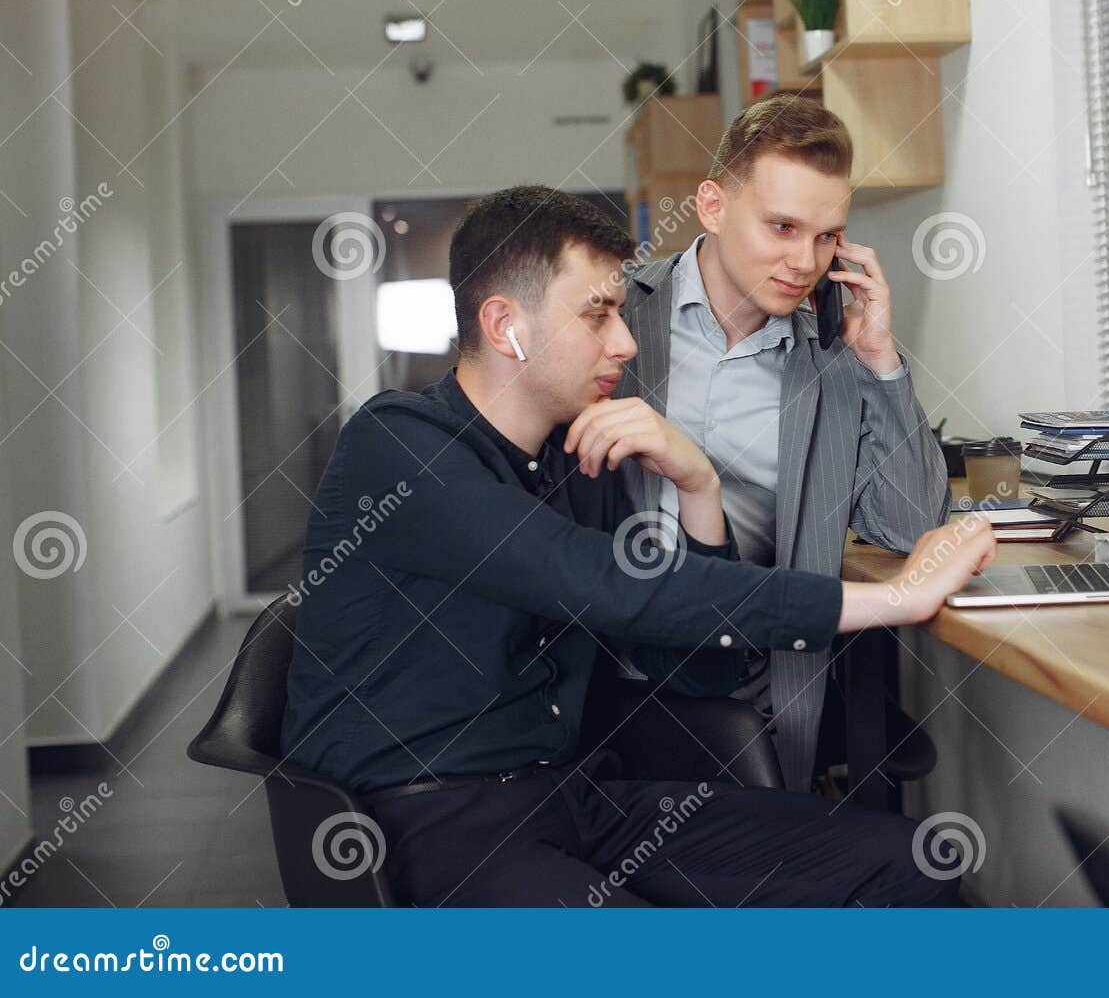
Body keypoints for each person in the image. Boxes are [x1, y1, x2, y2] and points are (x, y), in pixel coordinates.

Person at [279, 184, 995, 907]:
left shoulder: (576, 459)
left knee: (910, 860)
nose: (625, 341)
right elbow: (601, 581)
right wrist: (893, 597)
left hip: (570, 801)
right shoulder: (398, 446)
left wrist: (698, 484)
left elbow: (696, 671)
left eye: (620, 312)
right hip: (427, 824)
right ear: (504, 325)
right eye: (597, 314)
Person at [618, 97, 950, 790]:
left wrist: (881, 360)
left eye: (827, 237)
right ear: (712, 206)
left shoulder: (833, 361)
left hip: (747, 692)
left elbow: (910, 526)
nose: (804, 261)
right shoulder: (618, 315)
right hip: (608, 675)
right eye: (782, 227)